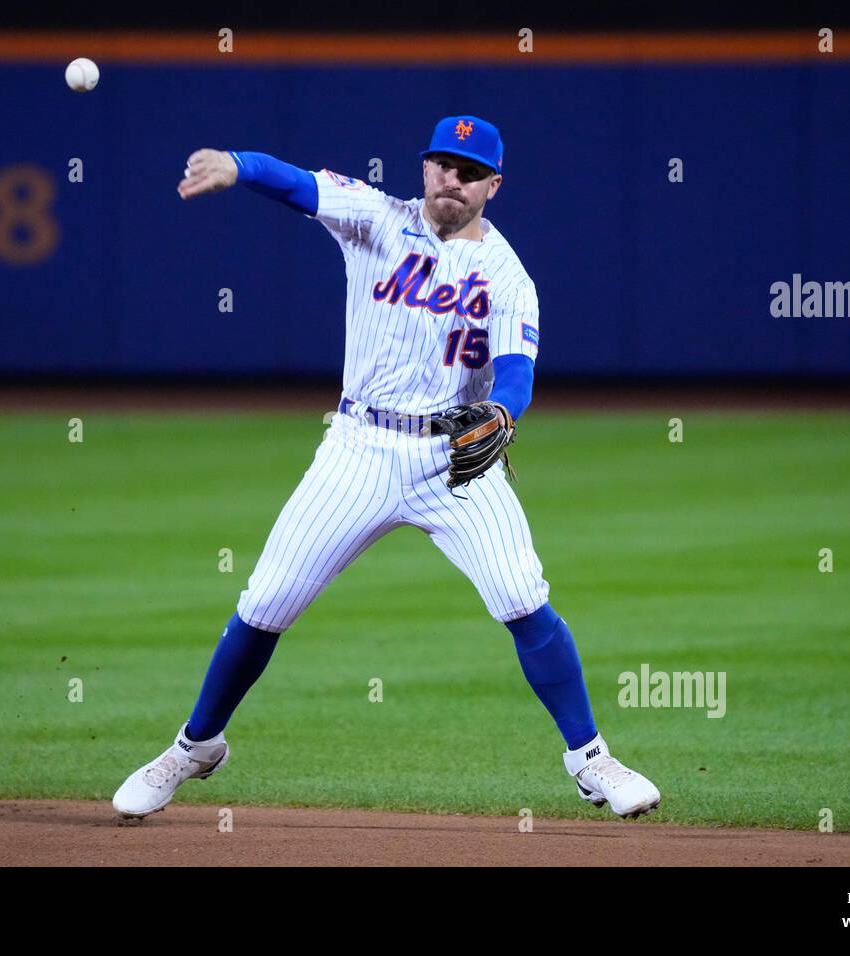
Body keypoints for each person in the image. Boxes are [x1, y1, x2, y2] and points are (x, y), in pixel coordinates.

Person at [112, 116, 661, 820]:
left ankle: (591, 762)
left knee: (523, 598)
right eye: (442, 165)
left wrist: (502, 415)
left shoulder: (507, 275)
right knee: (265, 602)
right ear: (425, 167)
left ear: (494, 185)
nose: (451, 181)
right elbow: (297, 184)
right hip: (359, 448)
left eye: (469, 172)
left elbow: (517, 375)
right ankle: (195, 747)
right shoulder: (374, 217)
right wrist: (237, 164)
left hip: (451, 460)